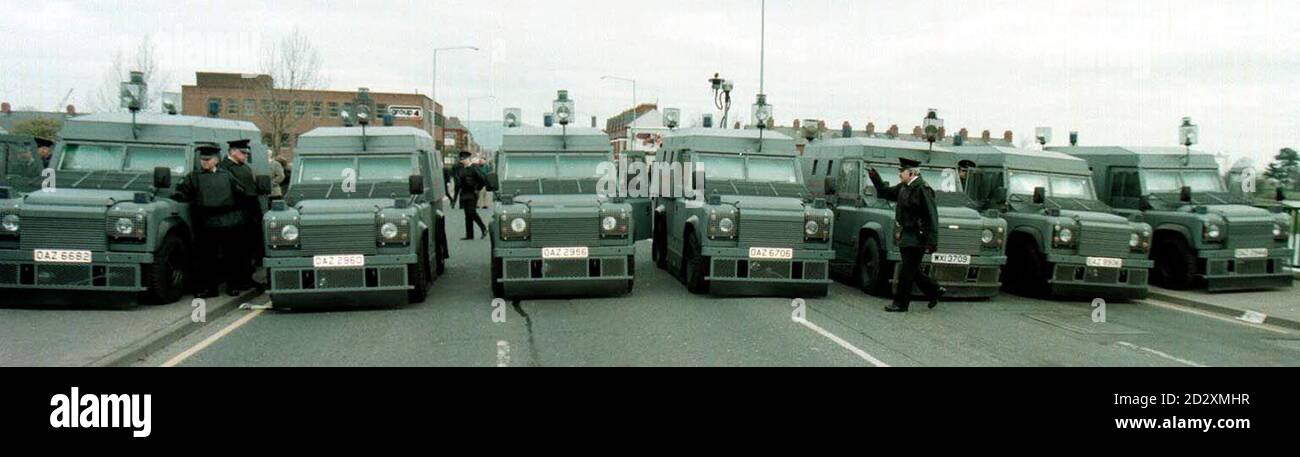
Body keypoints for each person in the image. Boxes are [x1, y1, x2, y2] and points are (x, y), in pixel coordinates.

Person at [868, 157, 946, 312]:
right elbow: (886, 192)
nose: (899, 174)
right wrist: (875, 178)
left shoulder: (922, 189)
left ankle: (900, 304)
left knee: (907, 271)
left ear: (911, 173)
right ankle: (935, 290)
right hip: (907, 235)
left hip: (918, 237)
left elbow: (932, 216)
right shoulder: (904, 187)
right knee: (912, 269)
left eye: (901, 171)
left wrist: (932, 241)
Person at [172, 144, 247, 298]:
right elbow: (182, 193)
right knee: (206, 258)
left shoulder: (226, 175)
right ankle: (209, 288)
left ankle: (232, 285)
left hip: (228, 221)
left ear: (216, 160)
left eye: (208, 159)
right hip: (205, 221)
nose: (204, 162)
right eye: (202, 159)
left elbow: (241, 193)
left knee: (231, 256)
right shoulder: (193, 177)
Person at [217, 139, 262, 292]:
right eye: (243, 152)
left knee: (246, 250)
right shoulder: (224, 169)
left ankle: (246, 279)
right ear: (233, 151)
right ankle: (233, 284)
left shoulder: (244, 168)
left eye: (246, 153)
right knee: (232, 252)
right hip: (234, 214)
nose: (245, 155)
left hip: (248, 215)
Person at [454, 151, 487, 239]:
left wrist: (478, 189)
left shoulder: (474, 168)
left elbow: (483, 179)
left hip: (472, 193)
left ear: (468, 159)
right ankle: (469, 235)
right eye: (461, 159)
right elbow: (458, 182)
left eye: (464, 159)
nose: (462, 160)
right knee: (467, 215)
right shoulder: (461, 169)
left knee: (471, 212)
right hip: (464, 193)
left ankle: (483, 228)